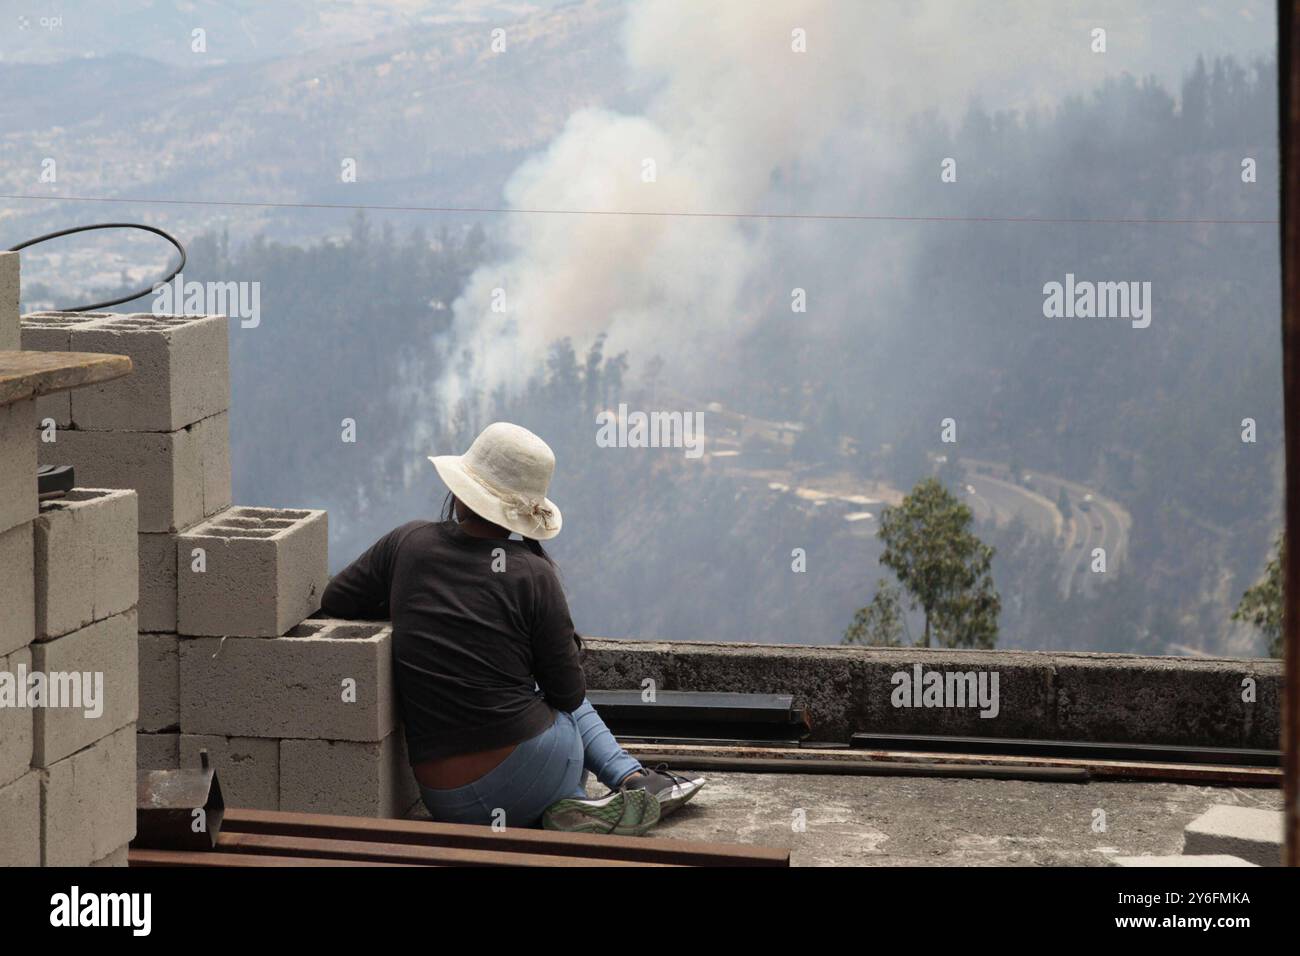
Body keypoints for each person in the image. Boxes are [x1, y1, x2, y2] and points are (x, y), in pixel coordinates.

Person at [320, 421, 704, 835]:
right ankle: (621, 783)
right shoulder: (532, 573)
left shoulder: (406, 543)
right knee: (559, 704)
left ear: (462, 489)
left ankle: (573, 803)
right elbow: (568, 694)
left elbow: (336, 599)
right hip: (533, 773)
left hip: (444, 797)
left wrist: (409, 603)